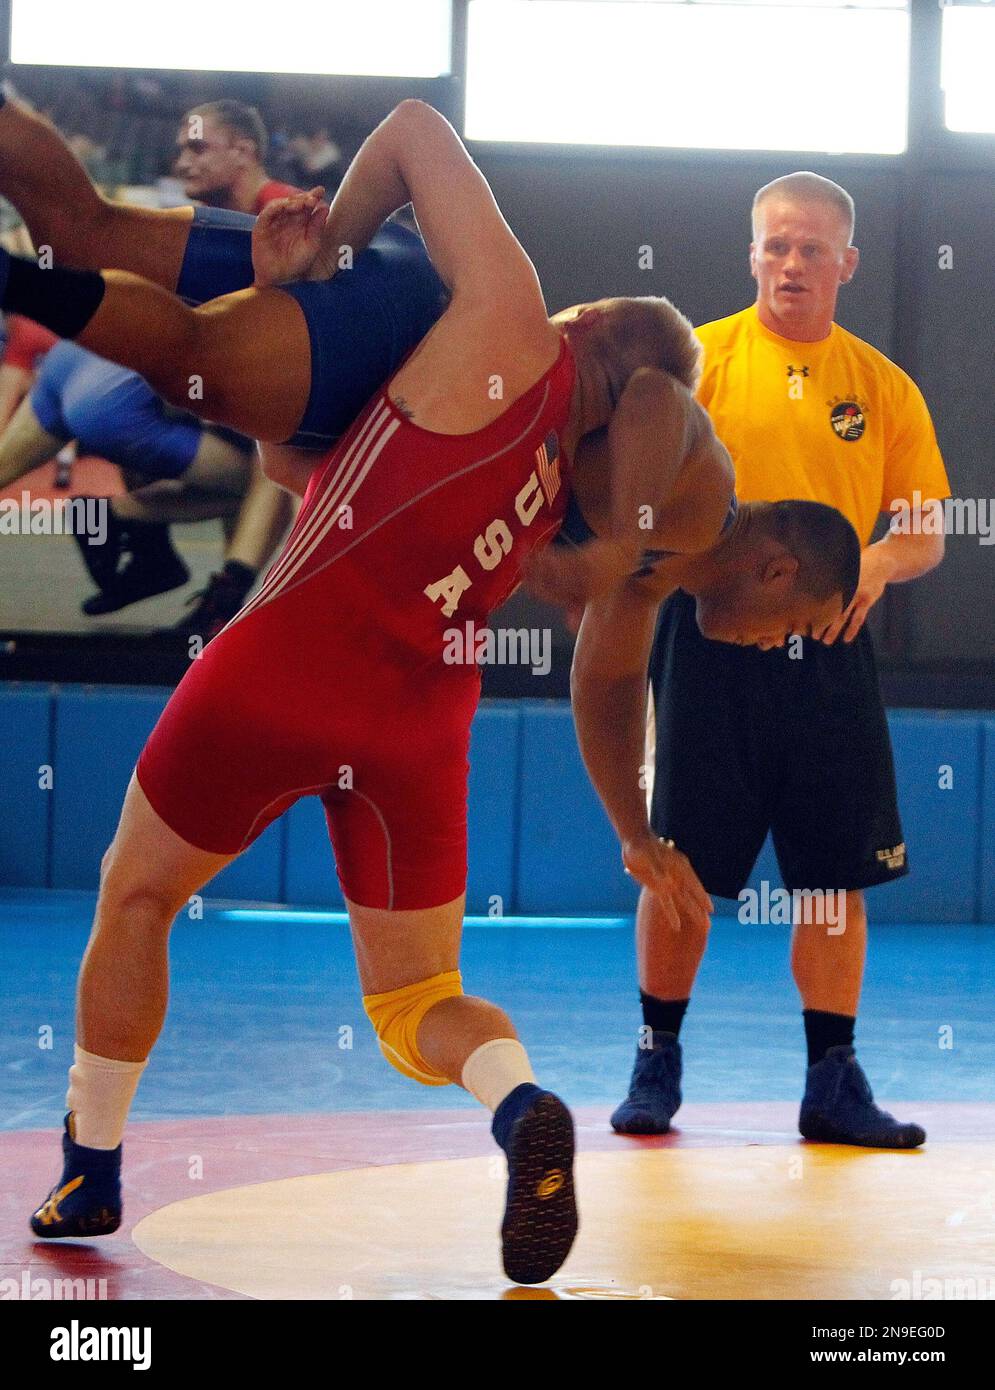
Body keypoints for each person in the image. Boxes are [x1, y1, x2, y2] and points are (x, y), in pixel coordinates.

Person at [10, 101, 860, 1284]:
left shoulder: (531, 377)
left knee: (137, 891)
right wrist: (336, 252)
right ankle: (519, 1109)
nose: (777, 647)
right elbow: (641, 482)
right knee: (419, 1002)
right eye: (797, 625)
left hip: (286, 666)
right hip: (420, 719)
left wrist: (326, 249)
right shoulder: (611, 504)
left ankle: (89, 1165)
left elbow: (310, 455)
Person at [607, 172, 950, 1148]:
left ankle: (831, 1082)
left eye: (810, 249)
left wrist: (868, 564)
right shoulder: (695, 362)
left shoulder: (880, 385)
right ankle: (654, 1060)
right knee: (674, 864)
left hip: (828, 655)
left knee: (833, 875)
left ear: (845, 263)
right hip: (703, 651)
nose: (790, 263)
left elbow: (924, 526)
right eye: (774, 246)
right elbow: (627, 497)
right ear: (751, 253)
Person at [0, 337, 254, 611]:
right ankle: (113, 513)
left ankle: (152, 555)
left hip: (70, 357)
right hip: (119, 400)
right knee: (266, 489)